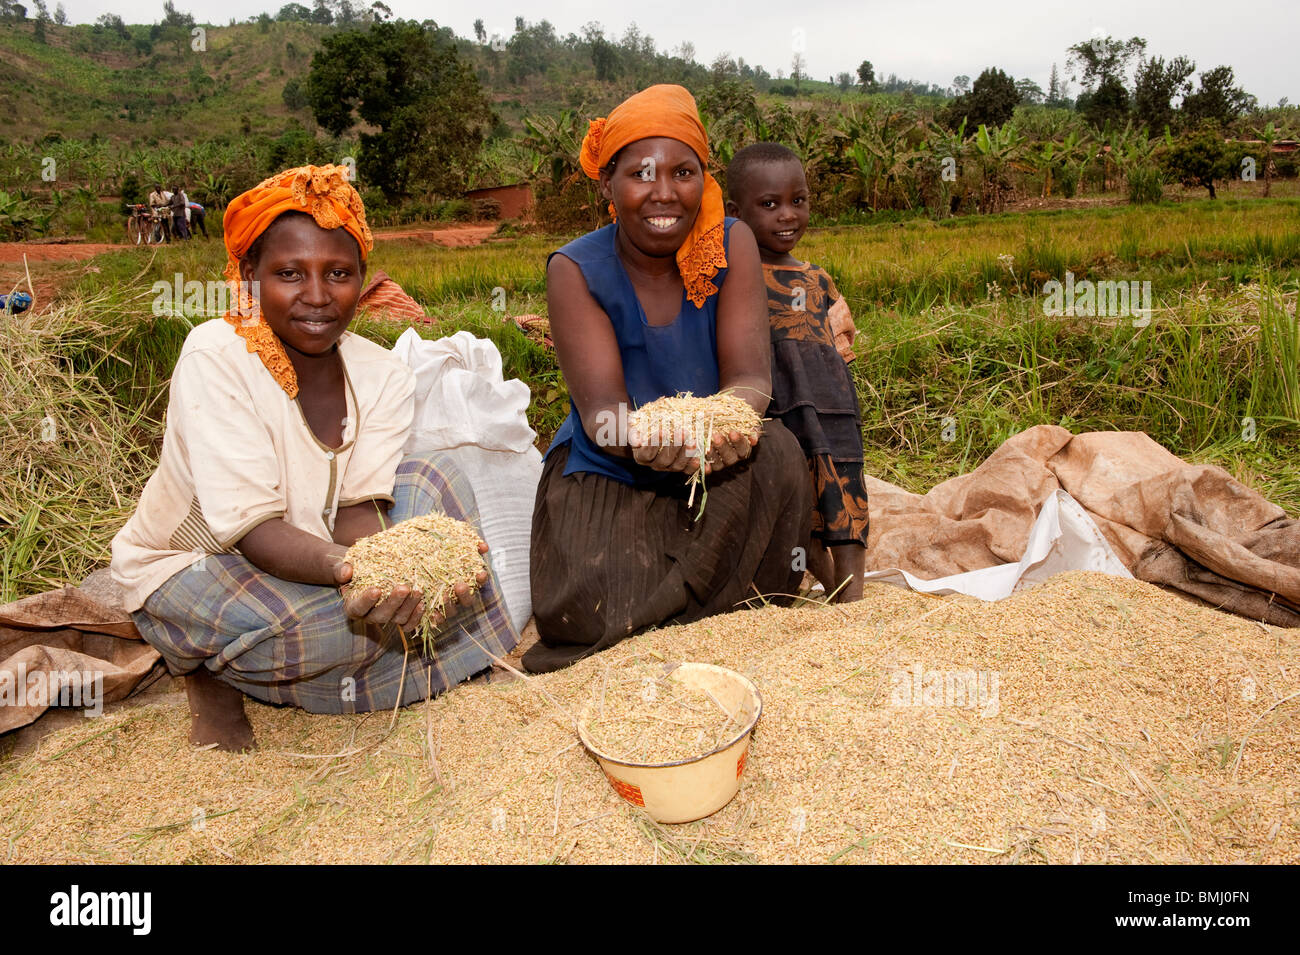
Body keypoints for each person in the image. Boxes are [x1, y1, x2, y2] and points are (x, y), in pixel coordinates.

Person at [110, 164, 519, 752]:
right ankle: (204, 670)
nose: (318, 297)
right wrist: (358, 574)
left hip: (315, 542)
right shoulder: (216, 355)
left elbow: (359, 507)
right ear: (249, 277)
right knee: (317, 633)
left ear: (363, 279)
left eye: (339, 274)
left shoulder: (380, 373)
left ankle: (354, 659)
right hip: (201, 561)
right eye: (288, 274)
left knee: (440, 480)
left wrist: (386, 567)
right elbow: (250, 531)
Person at [523, 85, 811, 673]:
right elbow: (604, 414)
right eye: (641, 173)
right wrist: (651, 441)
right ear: (607, 185)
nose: (663, 193)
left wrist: (721, 426)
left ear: (703, 180)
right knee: (584, 608)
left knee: (778, 453)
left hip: (719, 459)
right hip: (611, 467)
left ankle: (699, 610)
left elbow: (751, 377)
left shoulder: (731, 242)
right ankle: (699, 607)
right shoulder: (574, 268)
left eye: (683, 172)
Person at [725, 143, 869, 602]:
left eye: (798, 201)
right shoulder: (729, 276)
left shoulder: (816, 277)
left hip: (832, 405)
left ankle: (853, 598)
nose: (787, 215)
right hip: (777, 409)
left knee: (846, 496)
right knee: (797, 505)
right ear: (735, 211)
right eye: (769, 205)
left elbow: (840, 343)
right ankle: (827, 583)